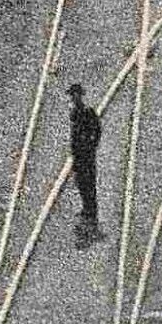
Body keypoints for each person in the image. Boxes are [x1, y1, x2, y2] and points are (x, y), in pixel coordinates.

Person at [67, 82, 102, 240]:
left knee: (89, 182)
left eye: (76, 95)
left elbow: (96, 131)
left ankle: (91, 211)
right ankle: (86, 208)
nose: (74, 98)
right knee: (81, 182)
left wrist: (91, 146)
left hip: (87, 154)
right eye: (72, 96)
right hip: (79, 155)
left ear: (80, 96)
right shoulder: (74, 114)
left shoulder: (88, 113)